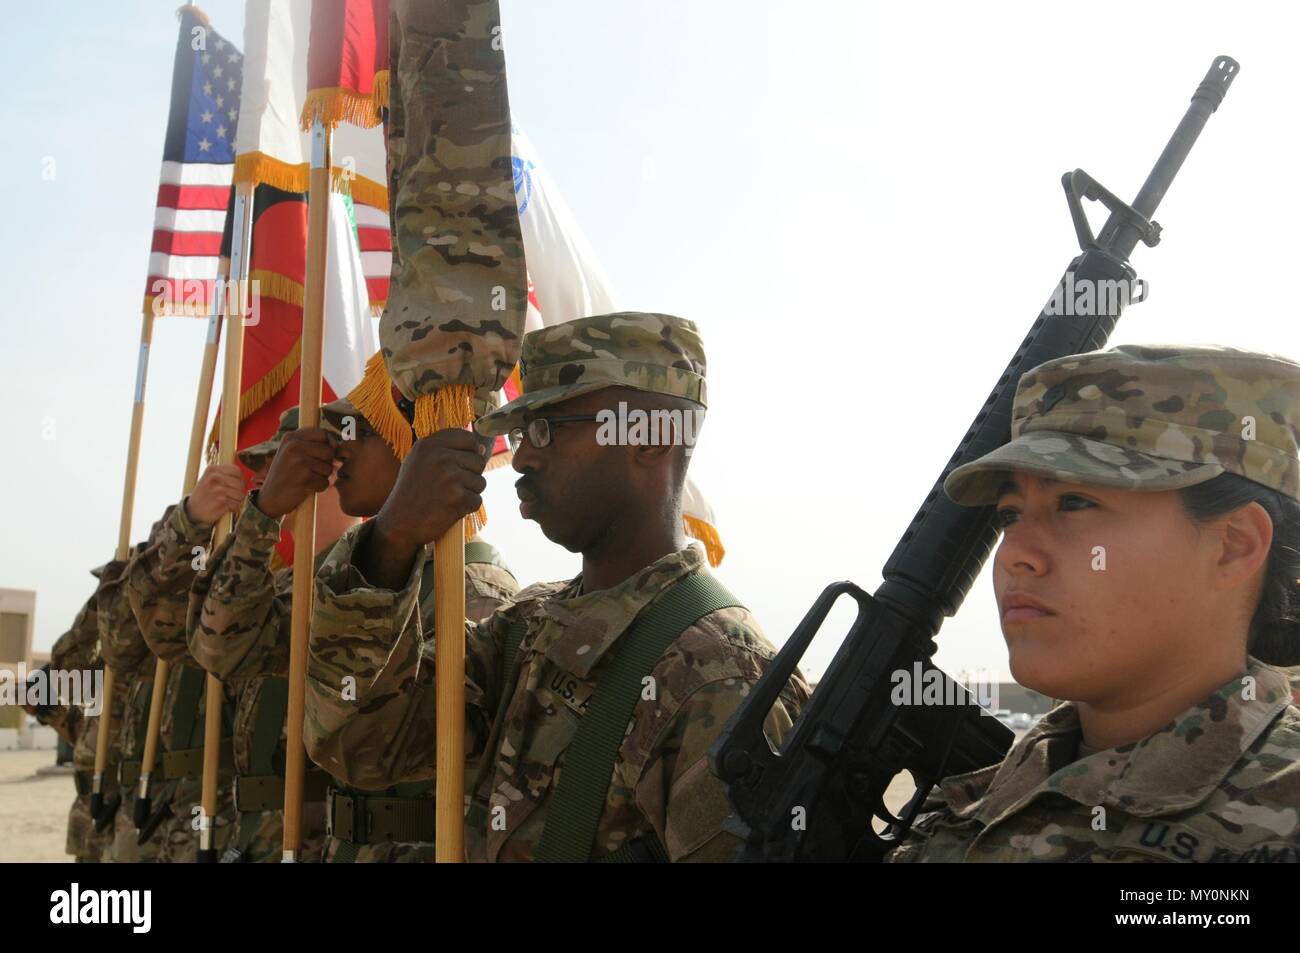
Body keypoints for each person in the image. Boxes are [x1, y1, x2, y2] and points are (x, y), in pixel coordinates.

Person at [304, 311, 810, 862]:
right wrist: (389, 544)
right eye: (522, 433)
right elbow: (359, 742)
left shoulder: (719, 677)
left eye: (547, 429)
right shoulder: (526, 626)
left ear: (650, 440)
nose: (521, 457)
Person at [888, 344, 1300, 863]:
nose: (1016, 553)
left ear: (1233, 543)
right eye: (1010, 514)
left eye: (1076, 503)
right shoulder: (978, 802)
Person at [186, 384, 518, 862]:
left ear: (416, 446)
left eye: (357, 433)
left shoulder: (471, 588)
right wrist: (266, 512)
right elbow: (221, 647)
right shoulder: (346, 576)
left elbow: (372, 749)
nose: (336, 454)